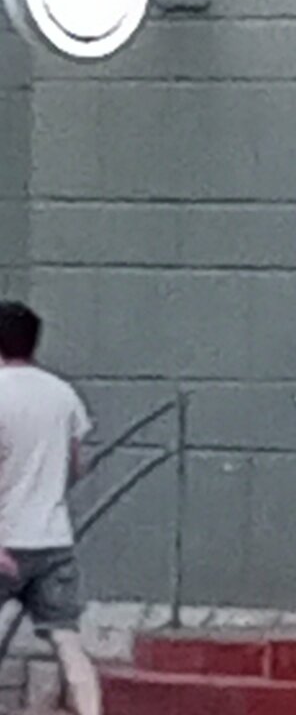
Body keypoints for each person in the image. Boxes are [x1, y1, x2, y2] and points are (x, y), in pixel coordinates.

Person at [0, 301, 100, 715]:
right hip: (53, 540)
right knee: (67, 640)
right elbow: (77, 465)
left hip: (6, 539)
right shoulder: (63, 394)